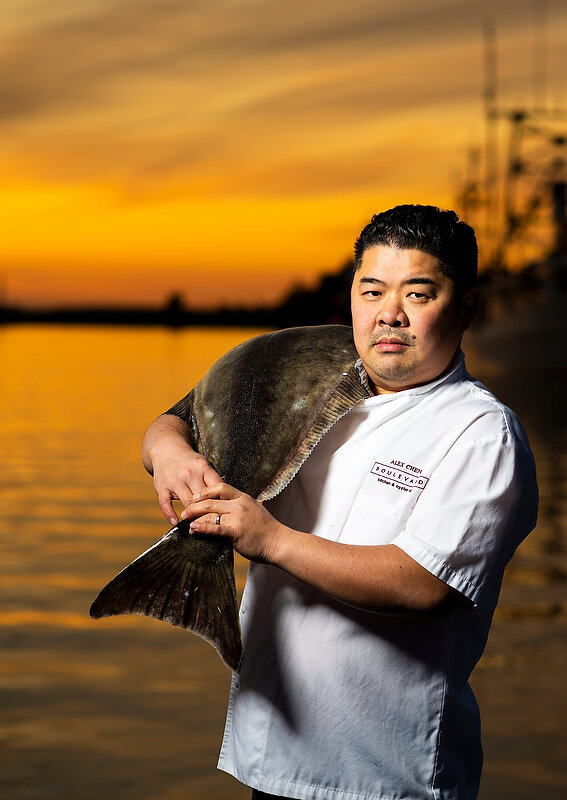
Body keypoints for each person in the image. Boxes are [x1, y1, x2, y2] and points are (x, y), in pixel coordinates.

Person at [140, 204, 539, 800]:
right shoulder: (311, 376)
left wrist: (269, 540)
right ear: (351, 297)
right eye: (372, 290)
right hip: (272, 754)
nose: (390, 315)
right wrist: (171, 456)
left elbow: (425, 584)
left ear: (466, 309)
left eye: (419, 294)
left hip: (387, 774)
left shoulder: (482, 431)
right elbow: (174, 420)